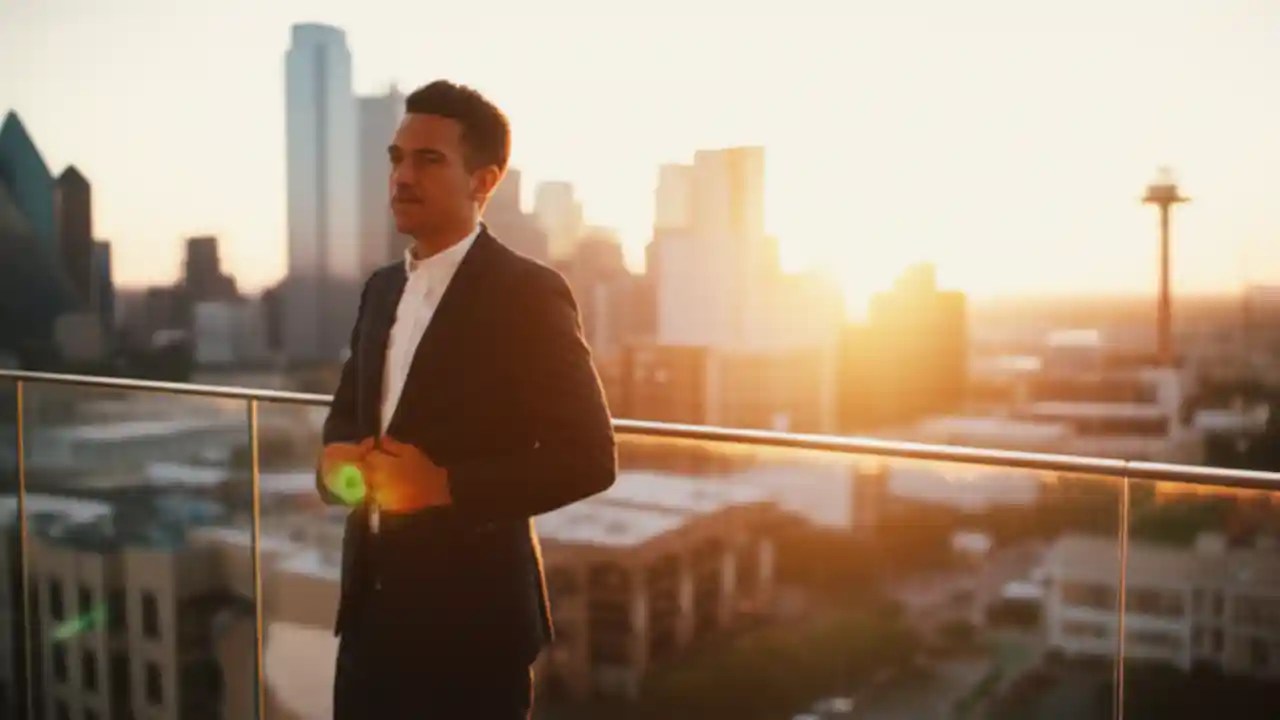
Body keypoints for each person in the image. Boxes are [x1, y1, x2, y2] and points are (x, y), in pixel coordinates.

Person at [315, 80, 617, 718]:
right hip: (367, 624)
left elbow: (589, 457)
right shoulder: (379, 289)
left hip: (471, 633)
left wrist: (445, 486)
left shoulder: (528, 292)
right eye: (397, 158)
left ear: (484, 181)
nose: (402, 176)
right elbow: (347, 413)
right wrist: (334, 463)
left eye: (429, 160)